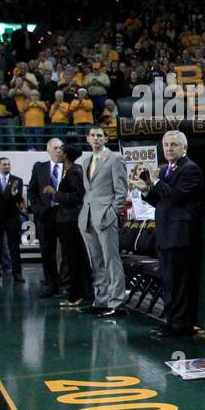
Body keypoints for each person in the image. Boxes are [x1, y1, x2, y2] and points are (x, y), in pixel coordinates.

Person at [134, 130, 204, 337]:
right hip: (166, 233)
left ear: (184, 147)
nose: (169, 148)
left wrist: (155, 182)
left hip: (181, 235)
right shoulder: (167, 171)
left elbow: (177, 197)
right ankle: (171, 321)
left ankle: (181, 325)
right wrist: (146, 190)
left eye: (174, 144)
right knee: (169, 281)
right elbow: (160, 200)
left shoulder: (190, 169)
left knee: (180, 283)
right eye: (166, 145)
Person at [77, 125, 128, 312]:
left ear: (106, 139)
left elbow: (121, 192)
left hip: (105, 216)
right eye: (93, 135)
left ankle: (117, 301)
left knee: (111, 260)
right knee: (95, 260)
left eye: (100, 135)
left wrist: (112, 213)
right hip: (88, 217)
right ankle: (101, 300)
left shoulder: (115, 159)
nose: (96, 138)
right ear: (88, 139)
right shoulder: (85, 161)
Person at [28, 138, 72, 297]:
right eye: (55, 148)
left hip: (65, 215)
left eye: (61, 147)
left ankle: (66, 286)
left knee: (67, 252)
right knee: (47, 253)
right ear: (48, 150)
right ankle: (51, 286)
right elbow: (32, 190)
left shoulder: (71, 167)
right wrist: (37, 209)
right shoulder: (39, 167)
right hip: (45, 216)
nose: (59, 150)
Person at [51, 144, 92, 307]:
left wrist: (55, 194)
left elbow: (77, 197)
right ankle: (79, 293)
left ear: (66, 155)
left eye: (60, 151)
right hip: (66, 220)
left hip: (71, 221)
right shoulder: (71, 171)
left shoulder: (75, 172)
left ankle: (77, 294)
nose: (57, 153)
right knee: (72, 258)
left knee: (74, 258)